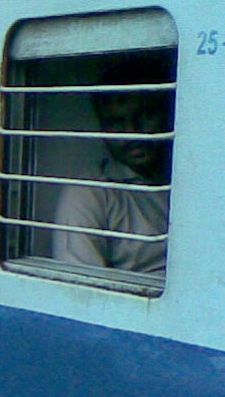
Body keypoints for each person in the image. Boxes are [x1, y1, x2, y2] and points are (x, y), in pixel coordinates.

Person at [52, 86, 172, 274]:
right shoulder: (90, 193)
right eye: (117, 123)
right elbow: (82, 286)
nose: (132, 132)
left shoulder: (191, 182)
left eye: (145, 116)